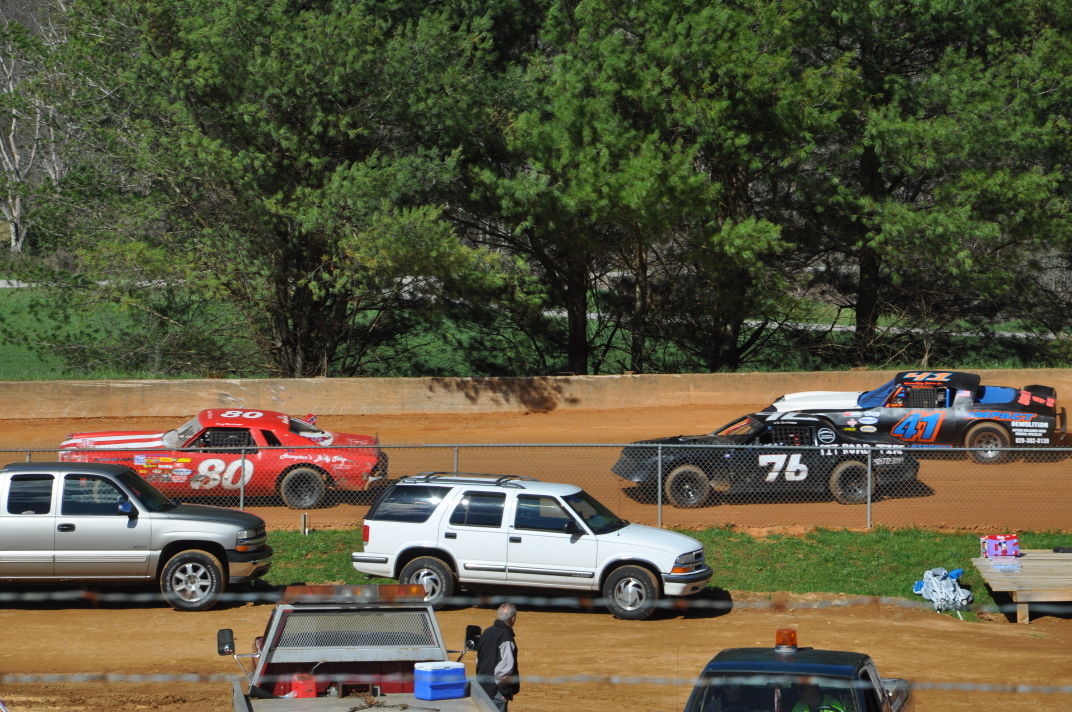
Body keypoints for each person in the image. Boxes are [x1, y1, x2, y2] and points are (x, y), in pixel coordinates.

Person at [475, 602, 520, 711]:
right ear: (513, 619)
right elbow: (505, 669)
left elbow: (478, 660)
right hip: (496, 692)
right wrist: (504, 692)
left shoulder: (486, 632)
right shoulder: (506, 637)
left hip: (482, 688)